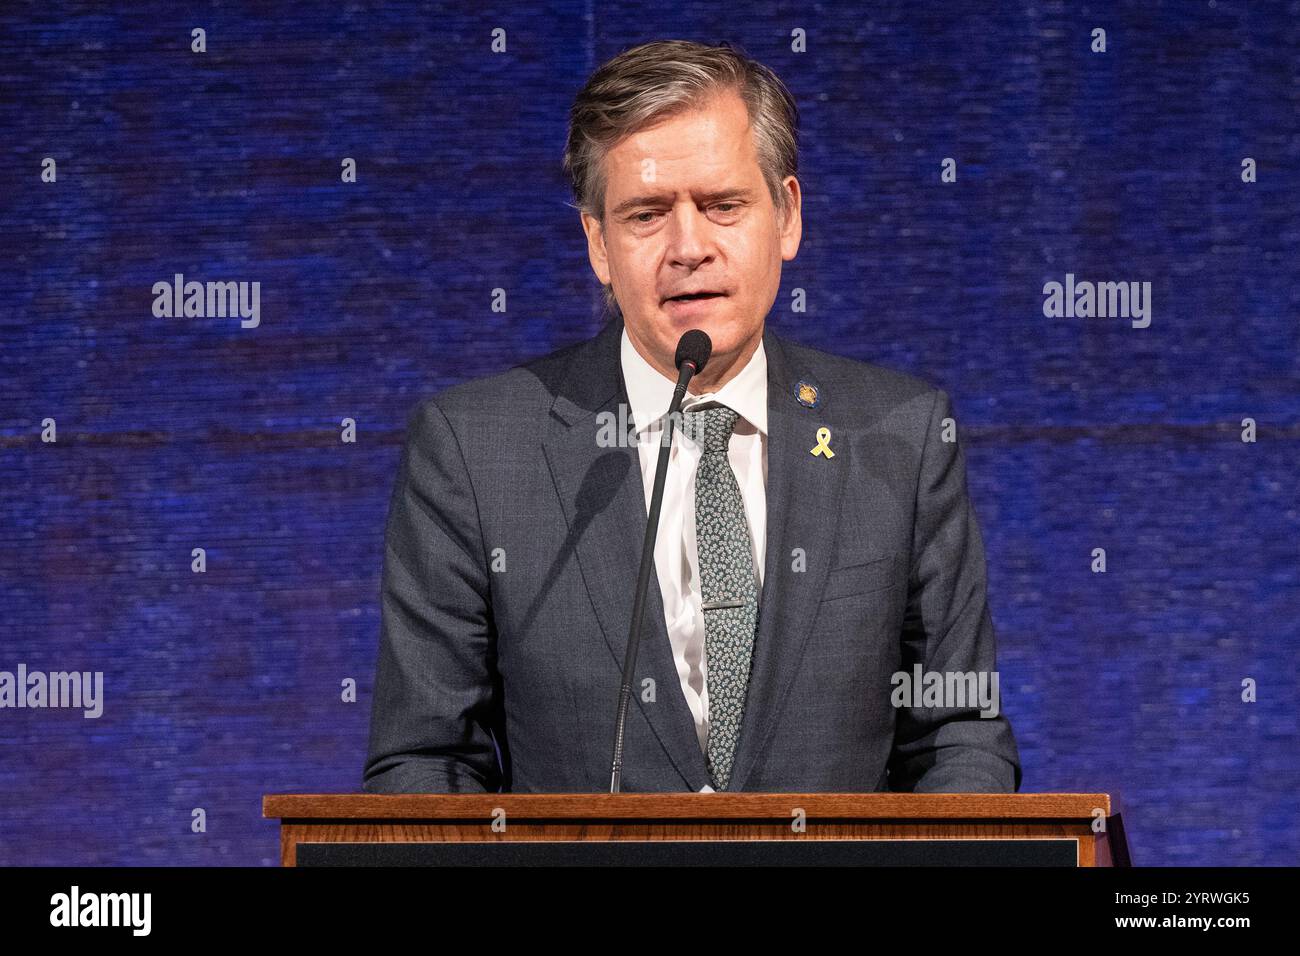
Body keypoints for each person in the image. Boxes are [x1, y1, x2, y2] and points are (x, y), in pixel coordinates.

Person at [363, 39, 1020, 794]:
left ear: (787, 216)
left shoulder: (902, 436)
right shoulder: (477, 450)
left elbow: (959, 735)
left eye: (722, 205)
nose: (688, 248)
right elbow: (426, 761)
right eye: (646, 214)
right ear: (598, 245)